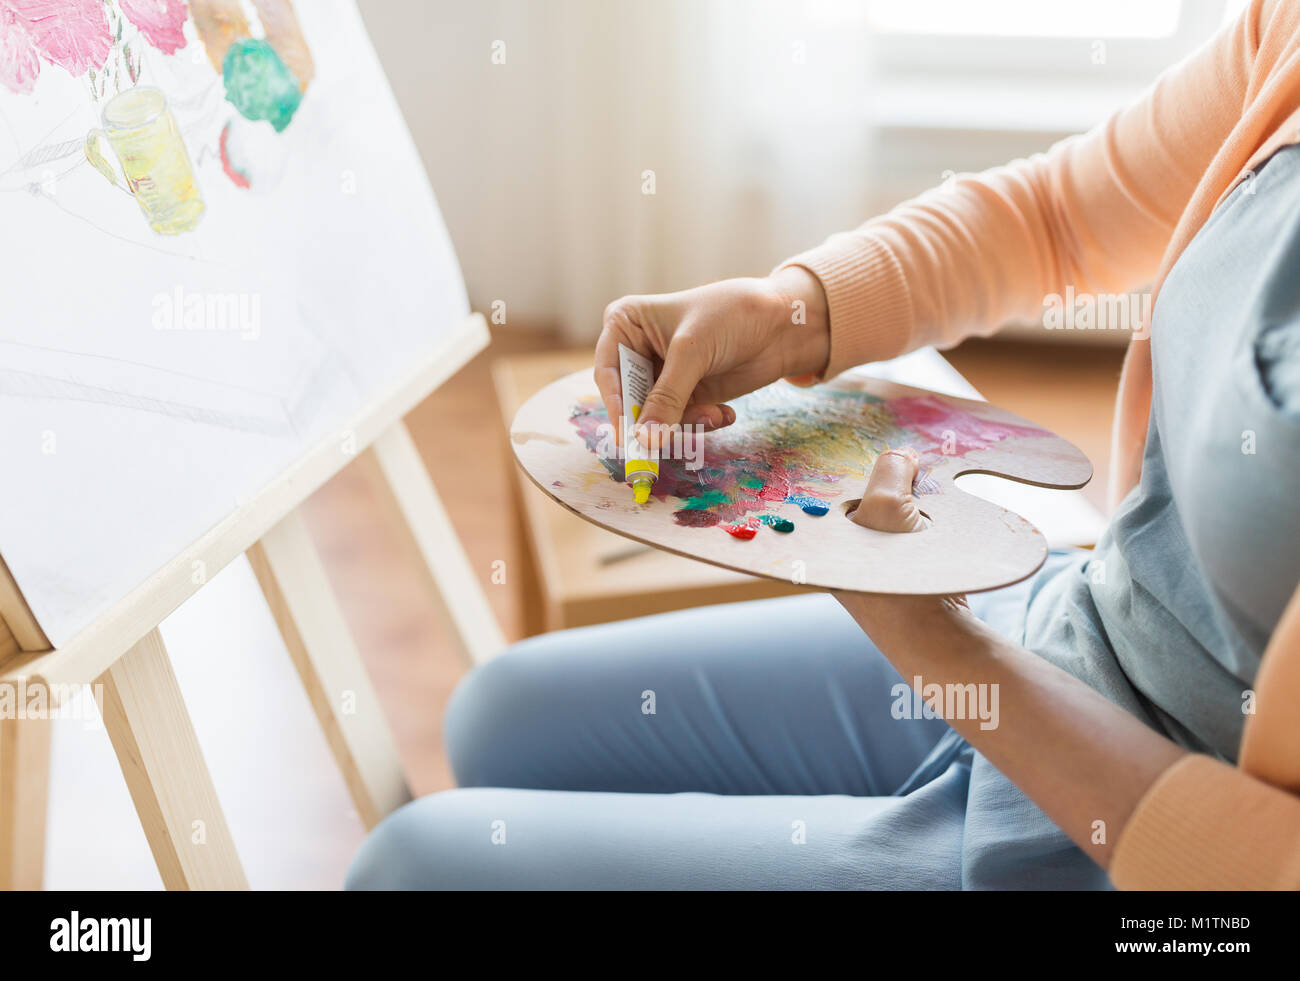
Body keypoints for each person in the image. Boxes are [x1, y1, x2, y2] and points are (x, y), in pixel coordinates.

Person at [348, 0, 1300, 889]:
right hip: (1067, 633)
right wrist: (792, 311)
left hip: (1150, 862)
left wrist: (928, 635)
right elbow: (1055, 216)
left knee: (411, 865)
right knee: (500, 711)